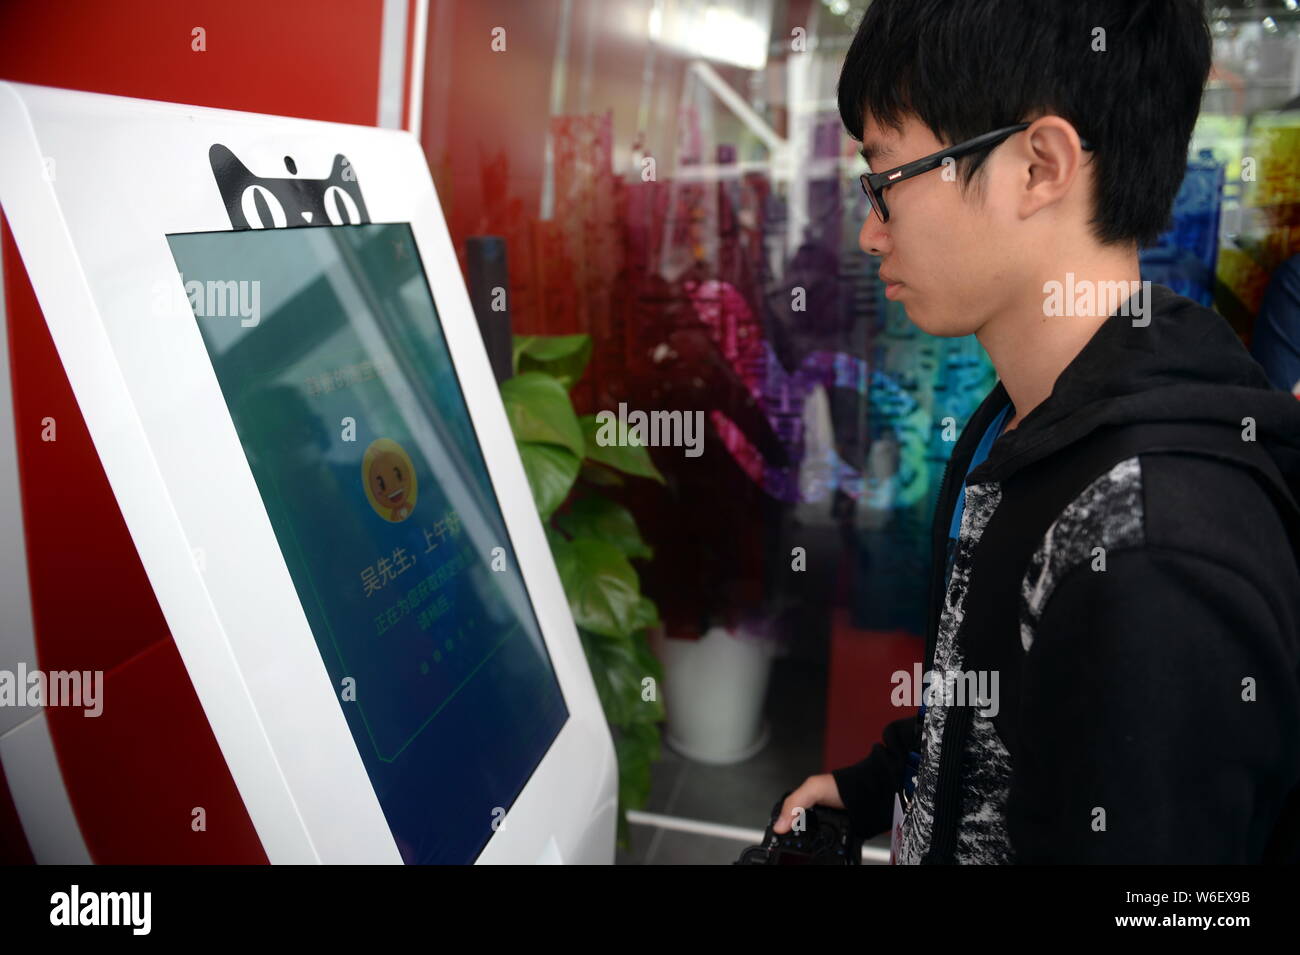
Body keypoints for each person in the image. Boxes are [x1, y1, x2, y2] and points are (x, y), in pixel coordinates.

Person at [773, 0, 1300, 863]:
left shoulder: (1154, 552)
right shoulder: (1023, 417)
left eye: (886, 178)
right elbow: (1000, 704)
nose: (871, 232)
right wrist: (887, 781)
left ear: (1038, 165)